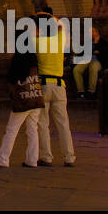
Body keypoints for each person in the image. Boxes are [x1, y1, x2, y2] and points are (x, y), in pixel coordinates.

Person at [0, 43, 41, 169]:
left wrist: (12, 59)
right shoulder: (33, 56)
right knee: (32, 129)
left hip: (23, 99)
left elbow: (12, 77)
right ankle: (32, 160)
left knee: (12, 129)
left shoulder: (18, 57)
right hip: (35, 97)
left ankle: (2, 159)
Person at [34, 10, 75, 166]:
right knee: (63, 124)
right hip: (59, 85)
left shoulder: (36, 42)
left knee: (43, 123)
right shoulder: (59, 39)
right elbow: (60, 25)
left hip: (43, 84)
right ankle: (69, 157)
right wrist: (49, 17)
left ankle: (46, 156)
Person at [72, 26, 108, 99]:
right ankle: (81, 92)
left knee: (93, 68)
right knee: (76, 70)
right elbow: (82, 52)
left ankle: (91, 91)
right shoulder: (88, 42)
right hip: (86, 60)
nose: (90, 34)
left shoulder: (103, 42)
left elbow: (105, 53)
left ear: (97, 33)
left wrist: (96, 45)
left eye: (92, 32)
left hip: (98, 61)